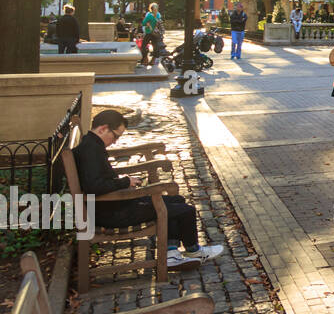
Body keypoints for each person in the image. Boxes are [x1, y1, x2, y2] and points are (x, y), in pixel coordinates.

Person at [71, 109, 224, 267]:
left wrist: (127, 183)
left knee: (177, 200)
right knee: (186, 210)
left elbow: (97, 181)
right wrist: (125, 182)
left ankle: (171, 252)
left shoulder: (91, 144)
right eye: (116, 136)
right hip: (112, 213)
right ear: (103, 128)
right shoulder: (91, 150)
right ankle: (193, 250)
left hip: (111, 206)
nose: (115, 141)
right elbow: (94, 186)